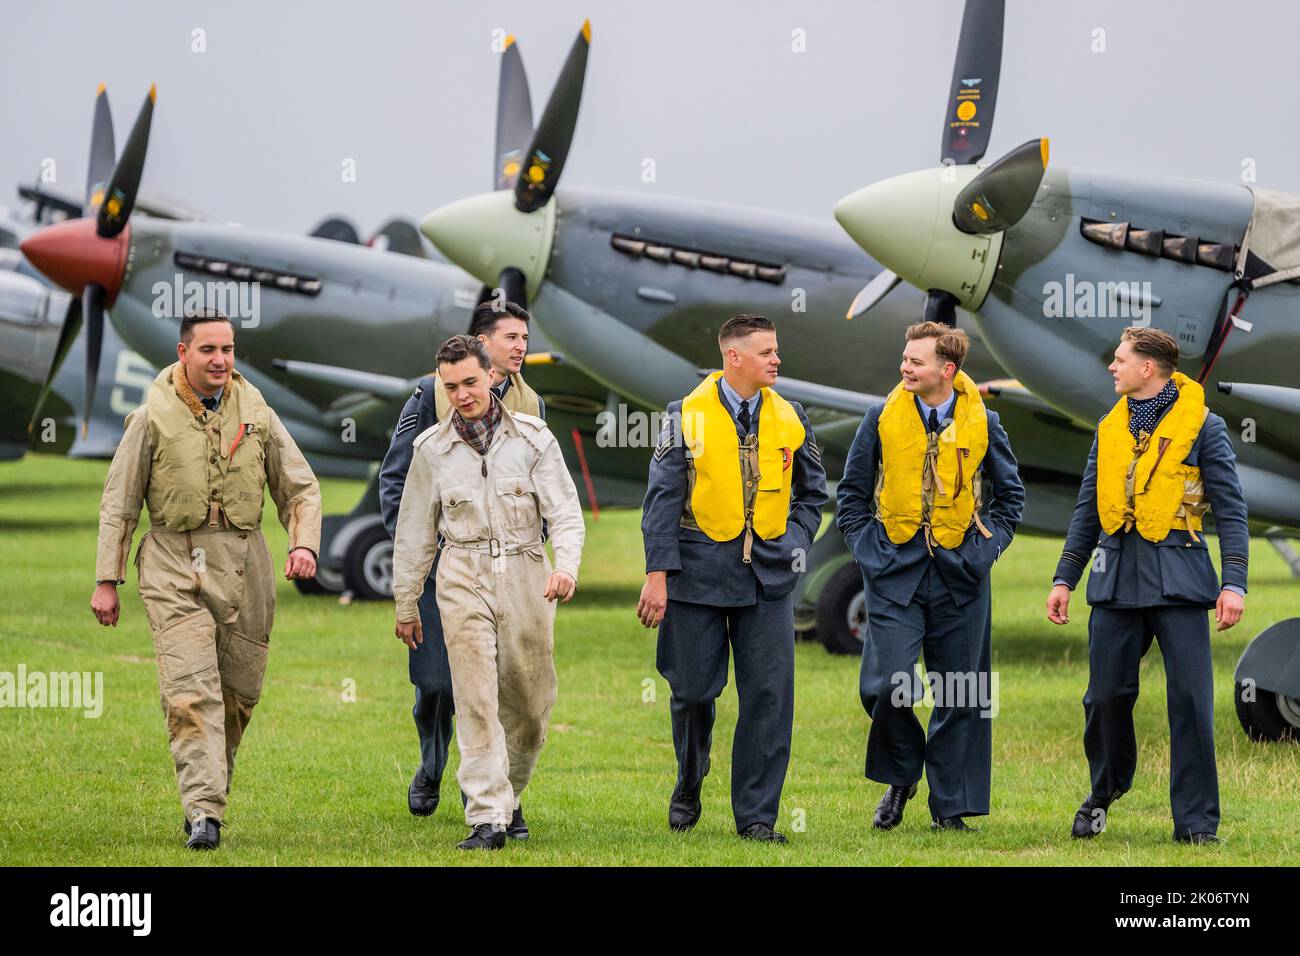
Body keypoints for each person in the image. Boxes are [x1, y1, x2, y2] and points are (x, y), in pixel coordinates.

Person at [90, 309, 321, 850]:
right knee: (191, 692)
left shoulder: (258, 411)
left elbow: (301, 487)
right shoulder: (151, 416)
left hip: (246, 561)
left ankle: (207, 795)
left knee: (238, 695)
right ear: (183, 354)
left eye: (228, 349)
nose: (220, 360)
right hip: (173, 560)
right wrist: (108, 578)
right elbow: (119, 504)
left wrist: (304, 542)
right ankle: (204, 815)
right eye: (208, 350)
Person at [1046, 326, 1248, 845]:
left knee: (1191, 702)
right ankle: (1104, 792)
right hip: (1114, 584)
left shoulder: (1206, 426)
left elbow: (1230, 509)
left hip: (1181, 581)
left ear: (1148, 368)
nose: (1111, 368)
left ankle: (1198, 824)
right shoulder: (1107, 429)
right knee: (1105, 698)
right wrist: (1065, 576)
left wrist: (1235, 584)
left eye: (1119, 360)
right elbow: (1088, 511)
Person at [637, 313, 827, 843]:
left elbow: (814, 494)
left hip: (768, 580)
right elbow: (660, 504)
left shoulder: (793, 417)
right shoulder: (683, 415)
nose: (777, 360)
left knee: (769, 696)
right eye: (766, 352)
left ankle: (757, 817)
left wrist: (794, 541)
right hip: (696, 576)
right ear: (733, 357)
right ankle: (690, 779)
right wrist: (658, 575)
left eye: (776, 351)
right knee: (694, 692)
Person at [390, 334, 584, 850]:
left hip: (527, 573)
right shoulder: (430, 450)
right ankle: (487, 819)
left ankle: (510, 793)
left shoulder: (535, 438)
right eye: (450, 386)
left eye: (470, 382)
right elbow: (413, 532)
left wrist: (565, 568)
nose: (462, 394)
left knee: (530, 705)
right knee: (475, 698)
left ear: (491, 377)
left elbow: (565, 513)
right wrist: (407, 602)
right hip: (462, 574)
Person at [836, 321, 1024, 832]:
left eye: (916, 361)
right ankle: (903, 775)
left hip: (961, 575)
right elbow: (850, 495)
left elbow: (1011, 498)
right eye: (904, 358)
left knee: (961, 692)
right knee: (883, 687)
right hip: (893, 572)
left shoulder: (986, 420)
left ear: (948, 369)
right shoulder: (879, 416)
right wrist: (868, 552)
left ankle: (950, 808)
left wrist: (983, 553)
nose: (905, 367)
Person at [378, 299, 545, 819]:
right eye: (511, 337)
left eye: (525, 337)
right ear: (482, 343)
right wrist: (419, 558)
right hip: (444, 568)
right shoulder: (431, 394)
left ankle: (500, 799)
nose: (521, 346)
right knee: (436, 684)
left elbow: (542, 484)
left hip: (510, 573)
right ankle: (431, 764)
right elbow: (397, 479)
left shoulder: (532, 403)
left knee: (506, 689)